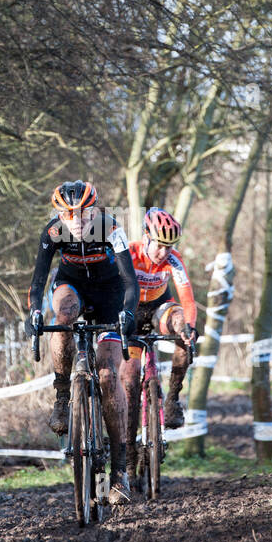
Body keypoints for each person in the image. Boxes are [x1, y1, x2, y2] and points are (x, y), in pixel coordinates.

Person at [25, 180, 139, 504]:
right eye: (68, 214)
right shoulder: (53, 232)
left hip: (110, 295)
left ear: (95, 210)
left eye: (83, 213)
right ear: (59, 214)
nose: (76, 221)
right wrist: (34, 312)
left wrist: (128, 313)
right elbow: (38, 281)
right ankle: (63, 396)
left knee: (108, 374)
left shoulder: (110, 228)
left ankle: (119, 471)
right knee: (63, 315)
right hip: (71, 288)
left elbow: (130, 282)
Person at [122, 208, 198, 486]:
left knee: (183, 327)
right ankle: (129, 453)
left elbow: (187, 300)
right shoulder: (128, 254)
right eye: (159, 245)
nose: (164, 252)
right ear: (146, 237)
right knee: (130, 381)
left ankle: (173, 398)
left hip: (159, 309)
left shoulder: (174, 261)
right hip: (130, 314)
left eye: (169, 246)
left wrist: (189, 326)